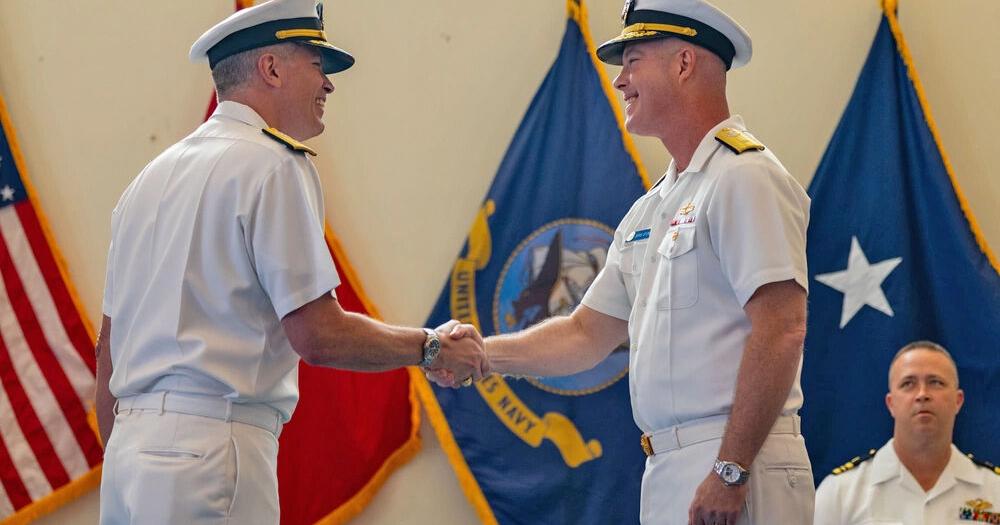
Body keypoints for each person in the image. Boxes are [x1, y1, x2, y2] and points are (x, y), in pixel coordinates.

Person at [95, 1, 487, 523]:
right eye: (317, 64)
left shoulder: (146, 182)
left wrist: (135, 451)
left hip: (128, 458)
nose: (328, 85)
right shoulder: (271, 163)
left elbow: (108, 350)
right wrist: (431, 346)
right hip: (214, 454)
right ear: (271, 69)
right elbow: (318, 335)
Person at [430, 0, 814, 523]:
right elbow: (585, 334)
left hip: (738, 464)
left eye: (632, 60)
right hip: (670, 468)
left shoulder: (745, 176)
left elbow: (782, 329)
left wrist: (731, 467)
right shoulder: (652, 207)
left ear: (683, 63)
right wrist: (481, 354)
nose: (619, 81)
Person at [814, 341, 1000, 525]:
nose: (922, 394)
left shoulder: (995, 490)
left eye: (935, 382)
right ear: (891, 403)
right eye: (908, 383)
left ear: (958, 401)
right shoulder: (840, 493)